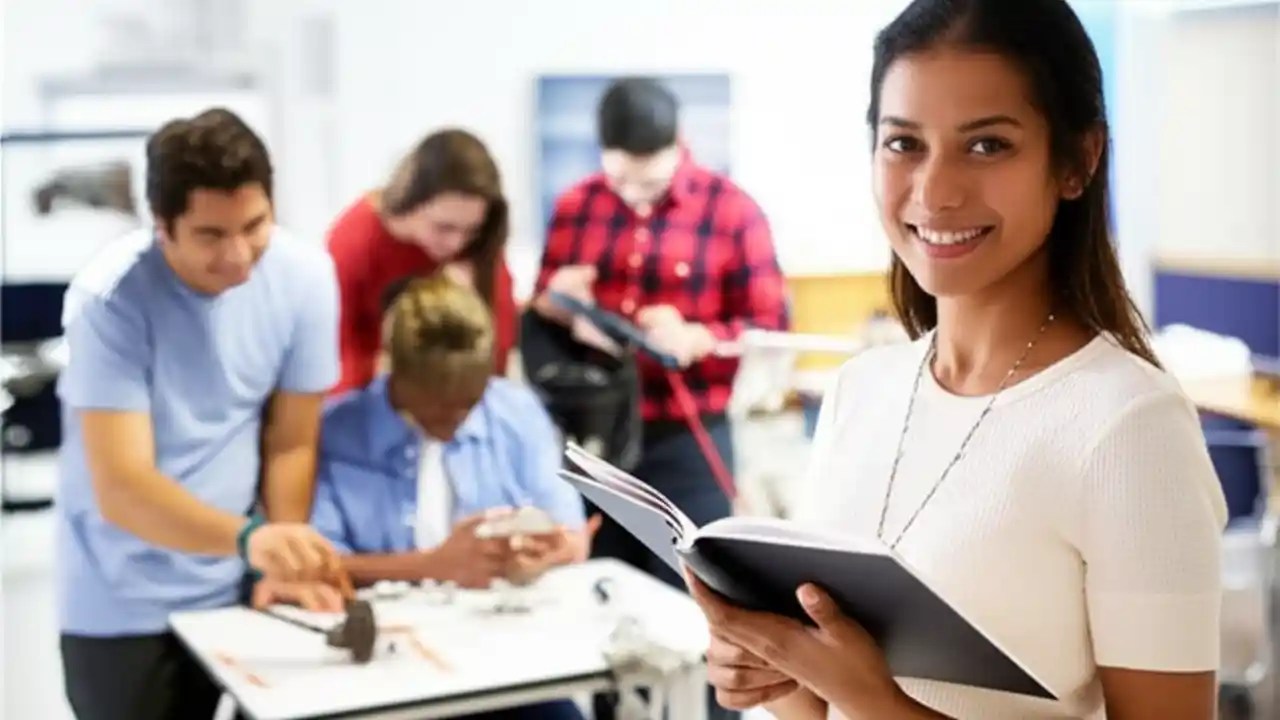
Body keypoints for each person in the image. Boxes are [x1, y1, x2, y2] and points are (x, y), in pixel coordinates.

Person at [683, 1, 1227, 719]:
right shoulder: (861, 389)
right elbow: (822, 707)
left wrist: (873, 700)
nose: (935, 191)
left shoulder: (1129, 427)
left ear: (1077, 160)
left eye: (987, 146)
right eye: (903, 143)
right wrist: (778, 672)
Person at [55, 107, 351, 720]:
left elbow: (291, 442)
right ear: (162, 224)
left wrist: (283, 557)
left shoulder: (305, 278)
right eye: (211, 235)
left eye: (255, 225)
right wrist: (251, 540)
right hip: (121, 602)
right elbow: (122, 487)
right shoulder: (107, 300)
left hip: (235, 583)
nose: (239, 255)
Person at [532, 76, 789, 592]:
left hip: (688, 438)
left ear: (678, 146)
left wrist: (700, 338)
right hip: (596, 437)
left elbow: (772, 328)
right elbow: (542, 305)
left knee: (698, 594)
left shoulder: (732, 211)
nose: (634, 197)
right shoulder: (576, 206)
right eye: (621, 182)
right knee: (599, 589)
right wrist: (557, 302)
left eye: (648, 184)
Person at [310, 273, 593, 720]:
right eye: (440, 406)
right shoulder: (337, 431)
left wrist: (543, 553)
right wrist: (431, 566)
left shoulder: (515, 412)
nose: (458, 417)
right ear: (396, 374)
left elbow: (571, 533)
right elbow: (316, 564)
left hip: (502, 655)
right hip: (382, 669)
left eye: (470, 401)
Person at [326, 128, 517, 393]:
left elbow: (497, 350)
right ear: (410, 202)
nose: (456, 244)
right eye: (444, 227)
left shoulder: (480, 241)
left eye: (471, 230)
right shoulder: (352, 242)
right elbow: (337, 356)